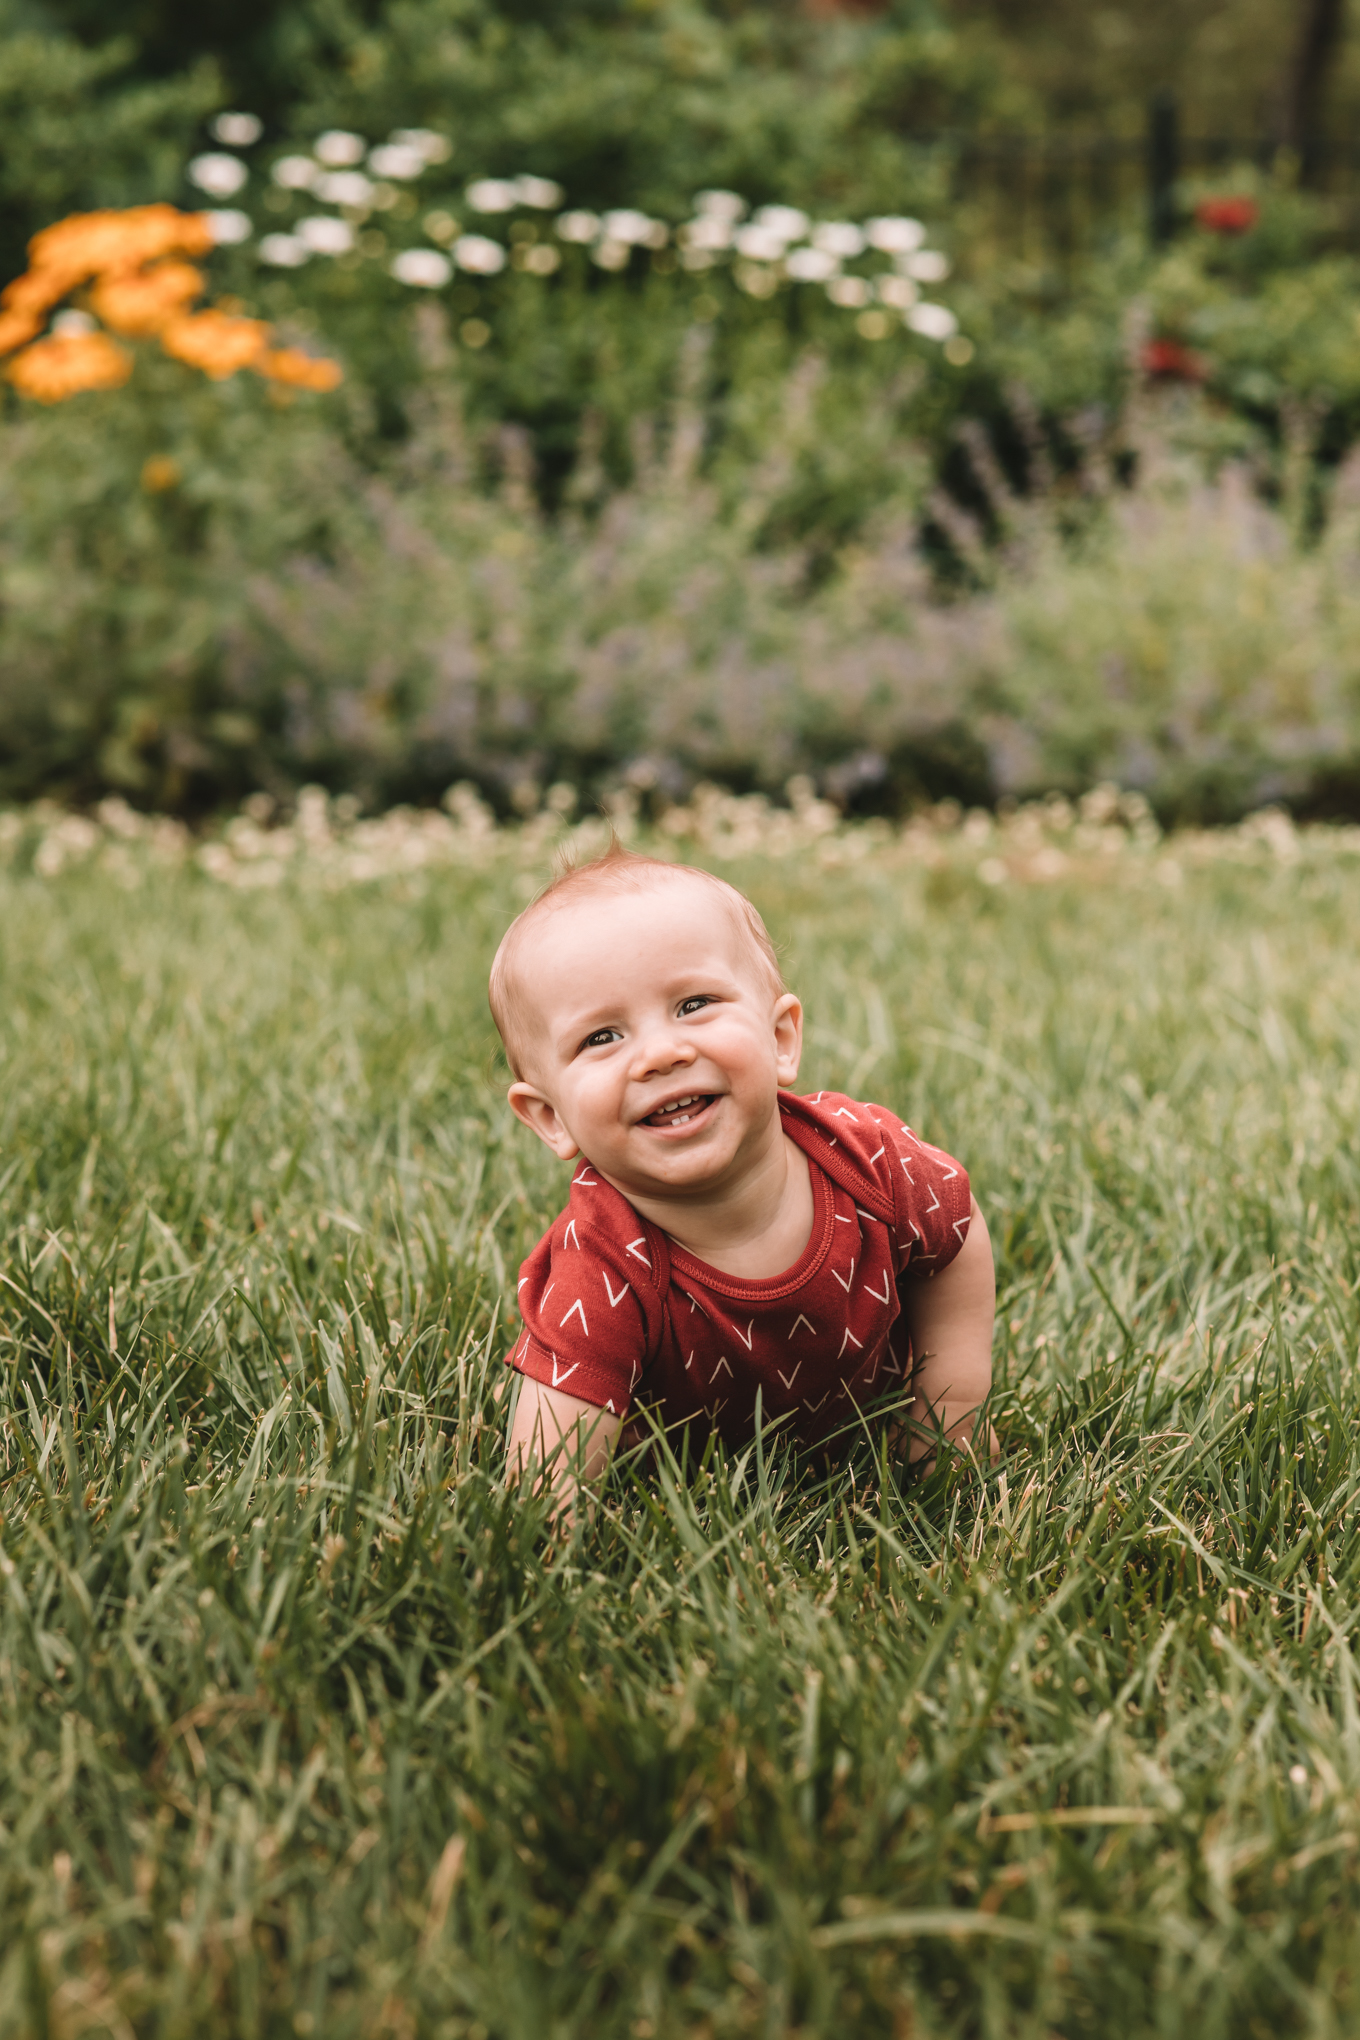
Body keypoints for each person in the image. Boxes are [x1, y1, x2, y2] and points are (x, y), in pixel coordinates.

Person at [490, 840, 996, 1507]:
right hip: (682, 1470)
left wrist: (950, 1402)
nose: (661, 1054)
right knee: (572, 1416)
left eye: (694, 1004)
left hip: (863, 1426)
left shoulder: (868, 1160)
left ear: (780, 1037)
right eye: (602, 1038)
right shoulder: (601, 1266)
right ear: (550, 1117)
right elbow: (542, 1488)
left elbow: (954, 1233)